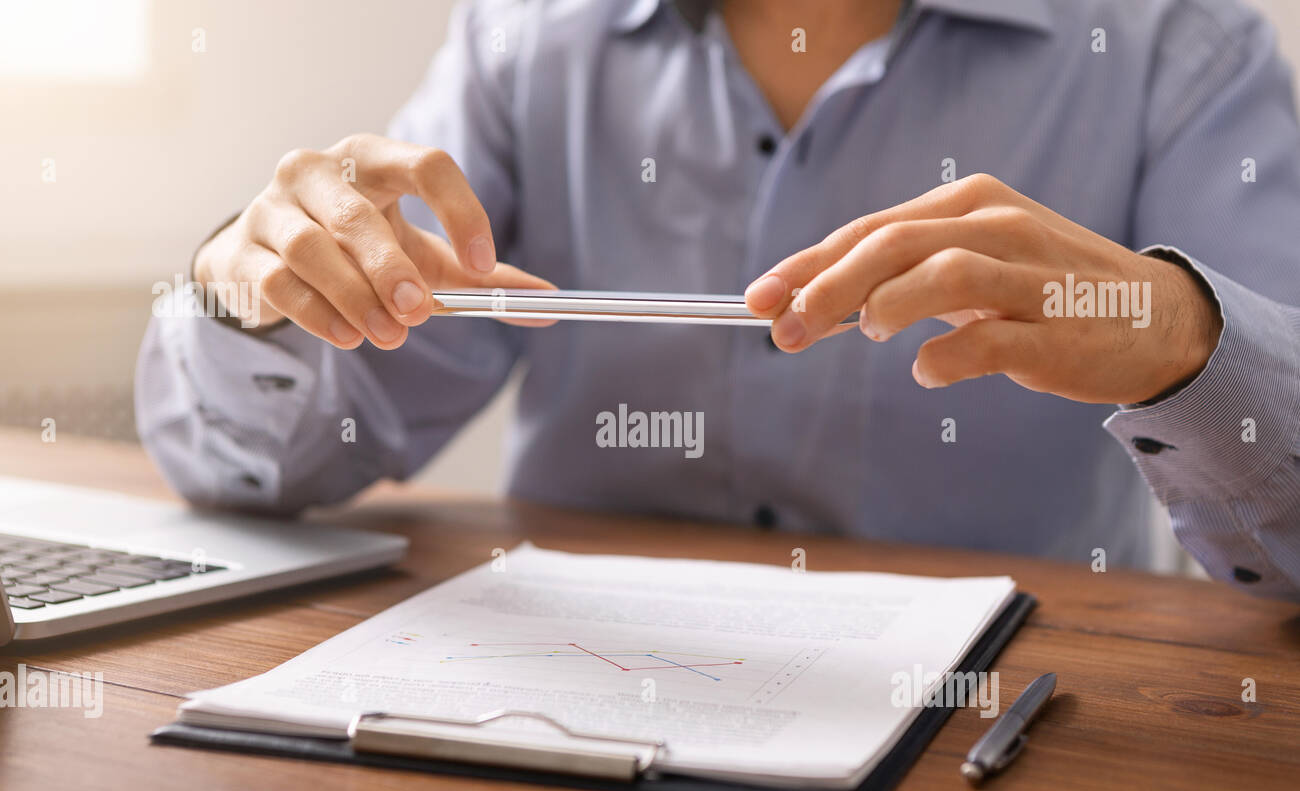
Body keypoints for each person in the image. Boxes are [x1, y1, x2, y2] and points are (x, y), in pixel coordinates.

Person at [136, 0, 1300, 601]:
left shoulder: (1172, 51)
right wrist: (247, 293)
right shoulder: (525, 38)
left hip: (1003, 742)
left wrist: (1187, 339)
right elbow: (268, 465)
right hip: (563, 703)